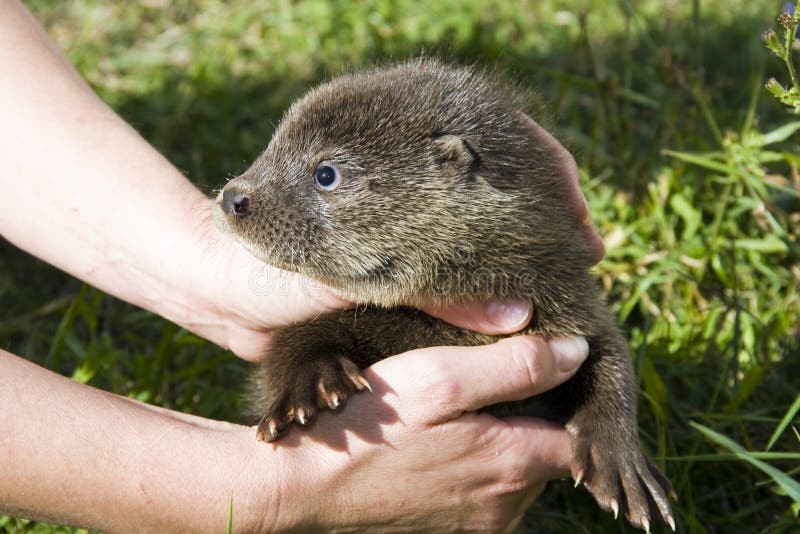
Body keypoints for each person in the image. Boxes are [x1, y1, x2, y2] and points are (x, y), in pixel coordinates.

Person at [0, 1, 604, 531]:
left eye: (326, 177)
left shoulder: (533, 271)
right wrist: (268, 492)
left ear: (445, 171)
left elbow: (597, 352)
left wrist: (605, 424)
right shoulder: (347, 313)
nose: (237, 191)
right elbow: (304, 348)